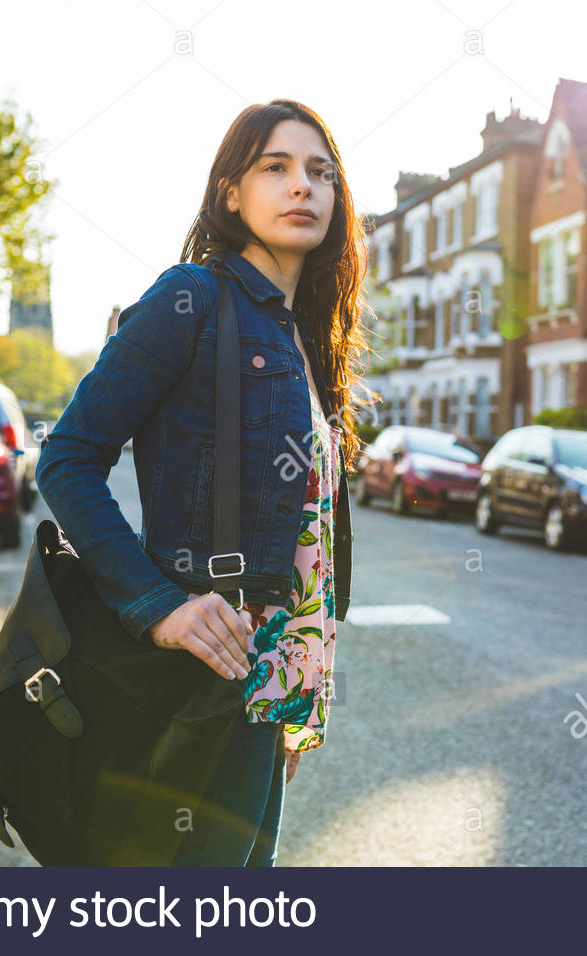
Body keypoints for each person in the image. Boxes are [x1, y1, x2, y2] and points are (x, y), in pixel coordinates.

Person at [35, 99, 376, 866]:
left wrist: (300, 701)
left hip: (271, 694)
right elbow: (67, 457)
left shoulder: (303, 335)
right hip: (208, 677)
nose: (304, 187)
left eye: (321, 173)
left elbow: (307, 543)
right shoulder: (190, 299)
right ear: (230, 193)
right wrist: (158, 607)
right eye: (276, 167)